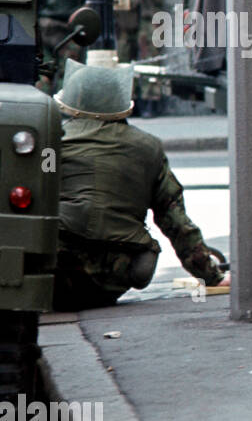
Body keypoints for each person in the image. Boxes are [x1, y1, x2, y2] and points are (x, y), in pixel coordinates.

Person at [52, 59, 227, 311]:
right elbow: (175, 221)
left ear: (72, 102)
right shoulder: (148, 149)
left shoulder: (54, 144)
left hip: (55, 271)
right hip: (114, 276)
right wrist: (212, 276)